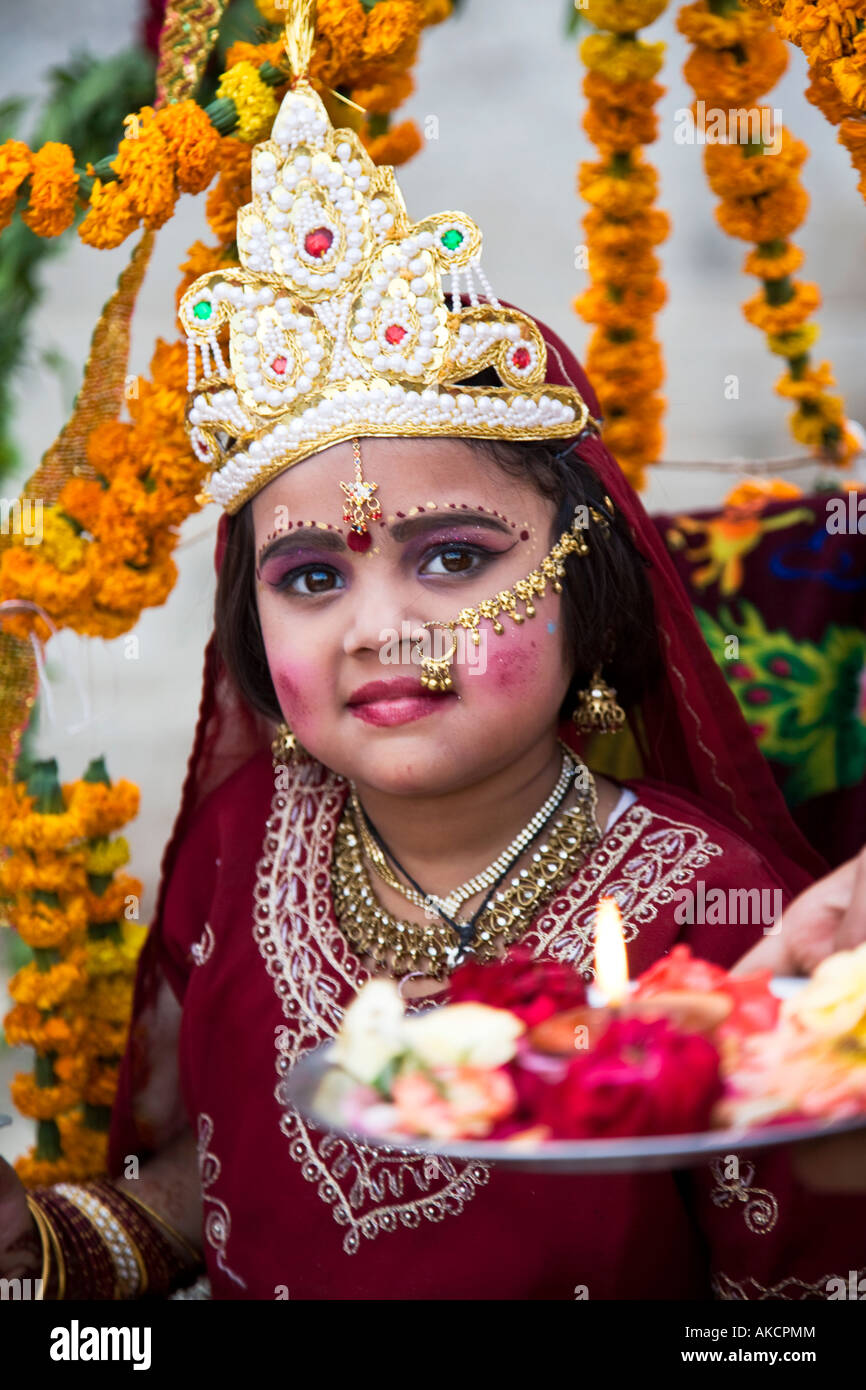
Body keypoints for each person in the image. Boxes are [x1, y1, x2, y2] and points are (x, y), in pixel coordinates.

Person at [2, 56, 865, 1302]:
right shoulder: (241, 845)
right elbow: (219, 1172)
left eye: (451, 557)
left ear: (585, 580)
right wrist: (47, 1250)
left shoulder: (721, 917)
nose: (377, 627)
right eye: (309, 578)